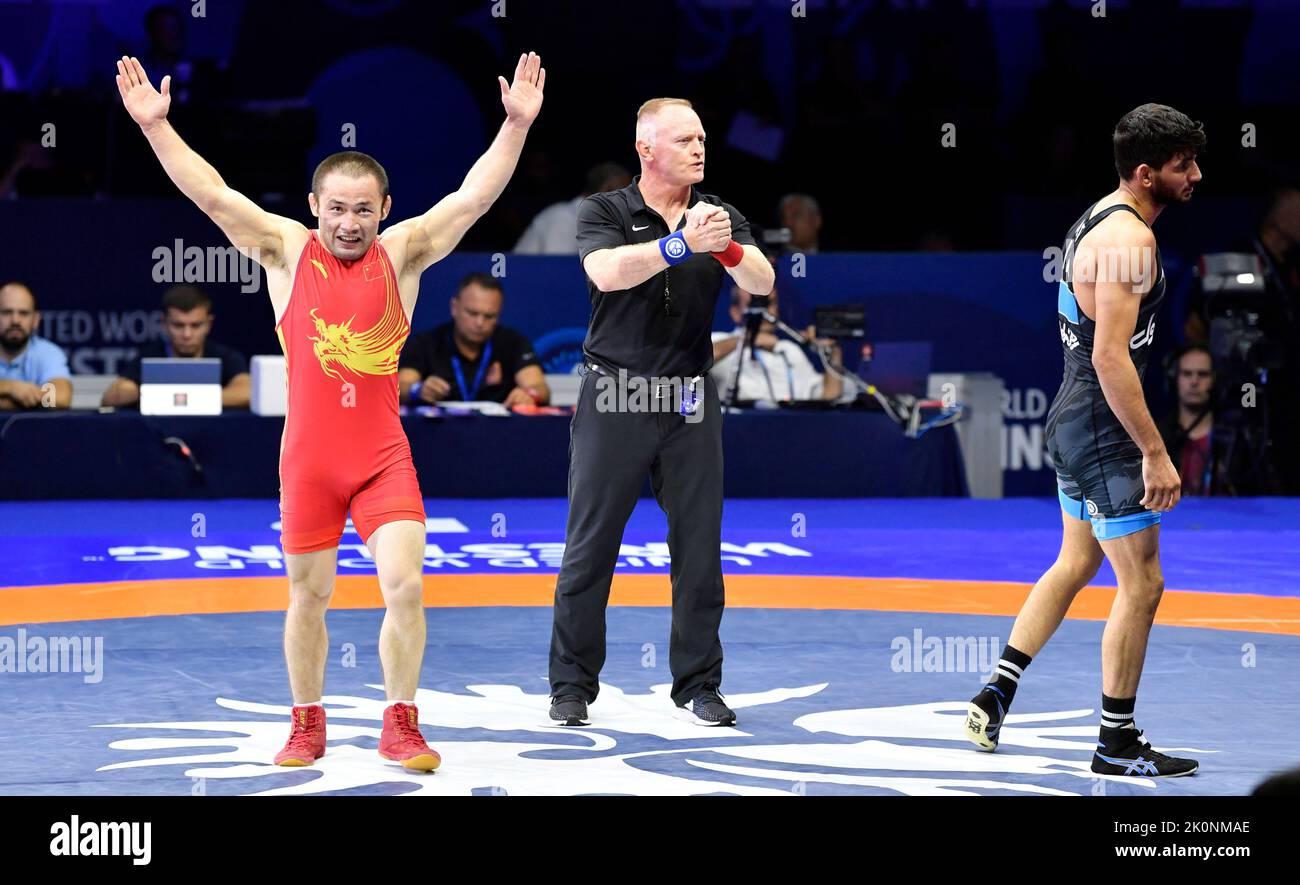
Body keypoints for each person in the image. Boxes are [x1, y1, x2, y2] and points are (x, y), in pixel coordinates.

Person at [116, 50, 545, 769]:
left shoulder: (404, 252)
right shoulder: (284, 249)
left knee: (405, 583)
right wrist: (158, 128)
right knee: (308, 596)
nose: (350, 223)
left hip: (381, 457)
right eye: (337, 209)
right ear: (315, 206)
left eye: (364, 209)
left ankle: (401, 721)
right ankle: (306, 720)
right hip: (309, 462)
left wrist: (516, 126)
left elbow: (472, 197)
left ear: (385, 206)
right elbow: (215, 196)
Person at [964, 103, 1205, 778]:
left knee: (1076, 561)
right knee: (1144, 582)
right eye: (1183, 165)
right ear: (1145, 171)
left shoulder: (1097, 215)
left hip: (1076, 418)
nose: (1197, 175)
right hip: (1102, 426)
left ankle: (997, 690)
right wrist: (1155, 451)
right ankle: (1115, 742)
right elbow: (1110, 357)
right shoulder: (1131, 242)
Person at [548, 97, 773, 728]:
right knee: (591, 546)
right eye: (684, 140)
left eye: (702, 137)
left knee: (699, 547)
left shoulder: (718, 215)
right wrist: (678, 247)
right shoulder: (607, 210)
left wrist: (724, 249)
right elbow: (605, 271)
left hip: (690, 396)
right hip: (614, 391)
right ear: (647, 150)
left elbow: (761, 282)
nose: (699, 148)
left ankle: (699, 683)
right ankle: (571, 686)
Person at [397, 272, 549, 406]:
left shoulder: (514, 342)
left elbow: (539, 387)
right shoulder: (425, 343)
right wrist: (418, 390)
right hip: (436, 432)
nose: (480, 323)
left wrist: (529, 395)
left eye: (489, 316)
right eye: (472, 313)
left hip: (498, 433)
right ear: (454, 308)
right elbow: (401, 385)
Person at [102, 284, 250, 409]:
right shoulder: (149, 357)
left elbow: (247, 393)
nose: (187, 334)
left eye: (196, 325)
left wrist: (180, 398)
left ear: (209, 324)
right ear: (164, 323)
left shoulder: (227, 357)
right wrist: (149, 391)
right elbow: (110, 398)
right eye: (178, 325)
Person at [710, 284, 843, 404]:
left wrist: (833, 353)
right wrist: (746, 339)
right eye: (758, 304)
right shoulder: (718, 341)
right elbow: (693, 364)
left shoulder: (789, 350)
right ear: (735, 313)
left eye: (772, 303)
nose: (769, 311)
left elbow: (828, 397)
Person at [513, 162, 631, 254]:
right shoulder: (564, 218)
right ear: (606, 191)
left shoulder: (598, 223)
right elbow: (558, 272)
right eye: (623, 196)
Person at [0, 281, 72, 410]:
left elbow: (60, 397)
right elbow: (47, 400)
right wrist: (9, 387)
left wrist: (5, 402)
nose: (15, 320)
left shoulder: (48, 352)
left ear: (35, 320)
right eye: (6, 312)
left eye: (23, 313)